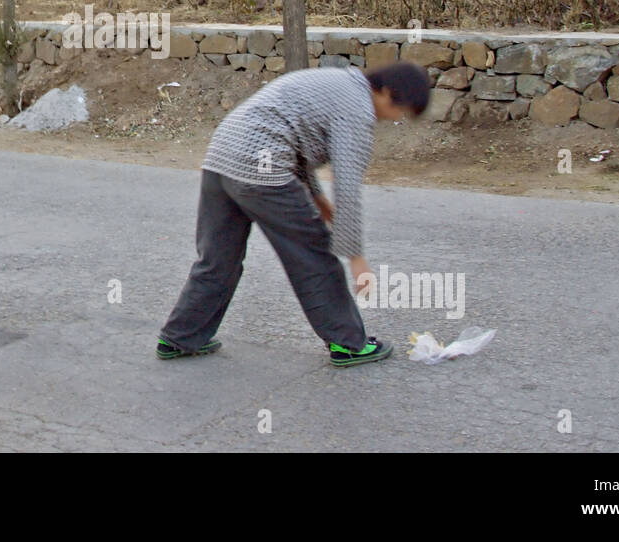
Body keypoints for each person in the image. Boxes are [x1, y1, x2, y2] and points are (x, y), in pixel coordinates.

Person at [157, 61, 430, 366]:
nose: (396, 118)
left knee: (218, 258)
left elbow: (297, 145)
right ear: (387, 92)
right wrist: (357, 259)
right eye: (400, 111)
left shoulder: (336, 82)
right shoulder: (358, 109)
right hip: (261, 169)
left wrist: (319, 201)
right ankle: (348, 343)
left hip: (221, 158)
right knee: (313, 256)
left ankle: (179, 337)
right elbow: (347, 184)